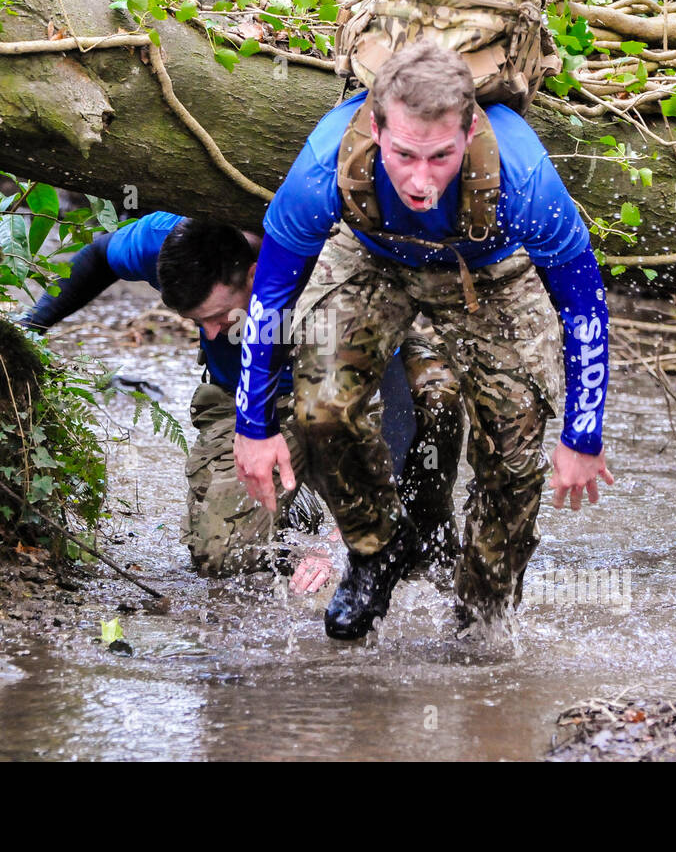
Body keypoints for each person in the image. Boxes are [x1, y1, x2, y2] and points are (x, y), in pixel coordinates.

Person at [234, 40, 615, 639]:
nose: (420, 180)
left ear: (468, 133)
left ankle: (482, 614)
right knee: (320, 406)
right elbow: (270, 300)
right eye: (404, 154)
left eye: (440, 157)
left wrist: (583, 433)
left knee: (516, 454)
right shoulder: (323, 164)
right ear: (376, 128)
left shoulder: (524, 179)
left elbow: (584, 310)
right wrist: (253, 427)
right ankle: (377, 549)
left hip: (488, 270)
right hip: (372, 258)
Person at [17, 211, 463, 581]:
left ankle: (421, 534)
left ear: (255, 276)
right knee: (220, 558)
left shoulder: (332, 269)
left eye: (216, 317)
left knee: (435, 397)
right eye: (197, 322)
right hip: (242, 401)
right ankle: (296, 511)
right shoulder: (167, 242)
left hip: (352, 391)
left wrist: (351, 538)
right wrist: (27, 330)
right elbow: (99, 256)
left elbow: (397, 408)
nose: (210, 333)